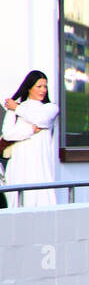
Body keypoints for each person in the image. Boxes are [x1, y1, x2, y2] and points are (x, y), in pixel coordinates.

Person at [2, 70, 60, 209]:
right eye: (39, 86)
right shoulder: (15, 109)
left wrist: (17, 108)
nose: (43, 90)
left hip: (41, 166)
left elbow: (42, 120)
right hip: (19, 165)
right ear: (29, 87)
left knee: (42, 203)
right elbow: (8, 134)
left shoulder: (50, 108)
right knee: (17, 204)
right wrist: (29, 131)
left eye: (45, 87)